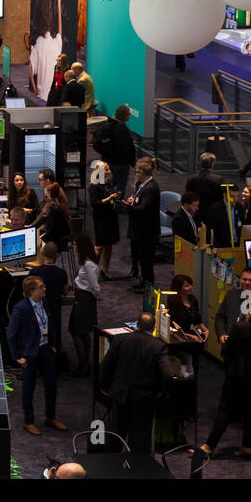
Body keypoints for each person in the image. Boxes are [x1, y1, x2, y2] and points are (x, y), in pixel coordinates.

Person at [200, 283, 251, 459]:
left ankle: (209, 446)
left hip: (237, 373)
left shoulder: (240, 327)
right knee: (250, 410)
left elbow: (228, 347)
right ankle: (247, 446)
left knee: (224, 409)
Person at [99, 311, 175, 453]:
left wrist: (105, 386)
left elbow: (106, 365)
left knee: (116, 433)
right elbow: (168, 375)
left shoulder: (120, 340)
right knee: (140, 437)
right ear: (153, 328)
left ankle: (110, 466)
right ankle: (137, 468)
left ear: (137, 324)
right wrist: (162, 393)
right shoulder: (158, 346)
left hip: (120, 395)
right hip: (144, 399)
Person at [8, 275, 67, 436]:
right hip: (30, 354)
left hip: (46, 349)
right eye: (41, 287)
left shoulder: (44, 303)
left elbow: (52, 323)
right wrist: (17, 356)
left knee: (51, 384)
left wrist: (53, 344)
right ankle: (29, 421)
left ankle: (50, 417)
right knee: (28, 388)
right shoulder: (21, 308)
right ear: (32, 290)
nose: (44, 289)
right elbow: (11, 334)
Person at [122, 158, 161, 290]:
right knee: (143, 258)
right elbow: (140, 202)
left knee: (146, 260)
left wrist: (128, 207)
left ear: (143, 173)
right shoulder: (142, 185)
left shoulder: (150, 188)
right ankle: (144, 281)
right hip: (140, 228)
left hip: (146, 230)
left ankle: (148, 285)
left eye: (137, 171)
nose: (136, 174)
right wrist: (133, 201)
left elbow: (143, 208)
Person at [69, 236, 101, 376]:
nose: (74, 246)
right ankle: (85, 364)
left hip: (84, 300)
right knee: (82, 332)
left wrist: (95, 298)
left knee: (77, 331)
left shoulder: (89, 264)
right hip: (83, 298)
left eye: (75, 244)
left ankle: (84, 365)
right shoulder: (86, 262)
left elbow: (95, 287)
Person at [88, 161, 121, 278]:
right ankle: (92, 270)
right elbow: (94, 203)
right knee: (99, 246)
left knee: (109, 244)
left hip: (111, 215)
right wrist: (109, 198)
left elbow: (111, 195)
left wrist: (116, 197)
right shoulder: (93, 185)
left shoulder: (107, 182)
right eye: (106, 169)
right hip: (101, 217)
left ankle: (105, 270)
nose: (109, 172)